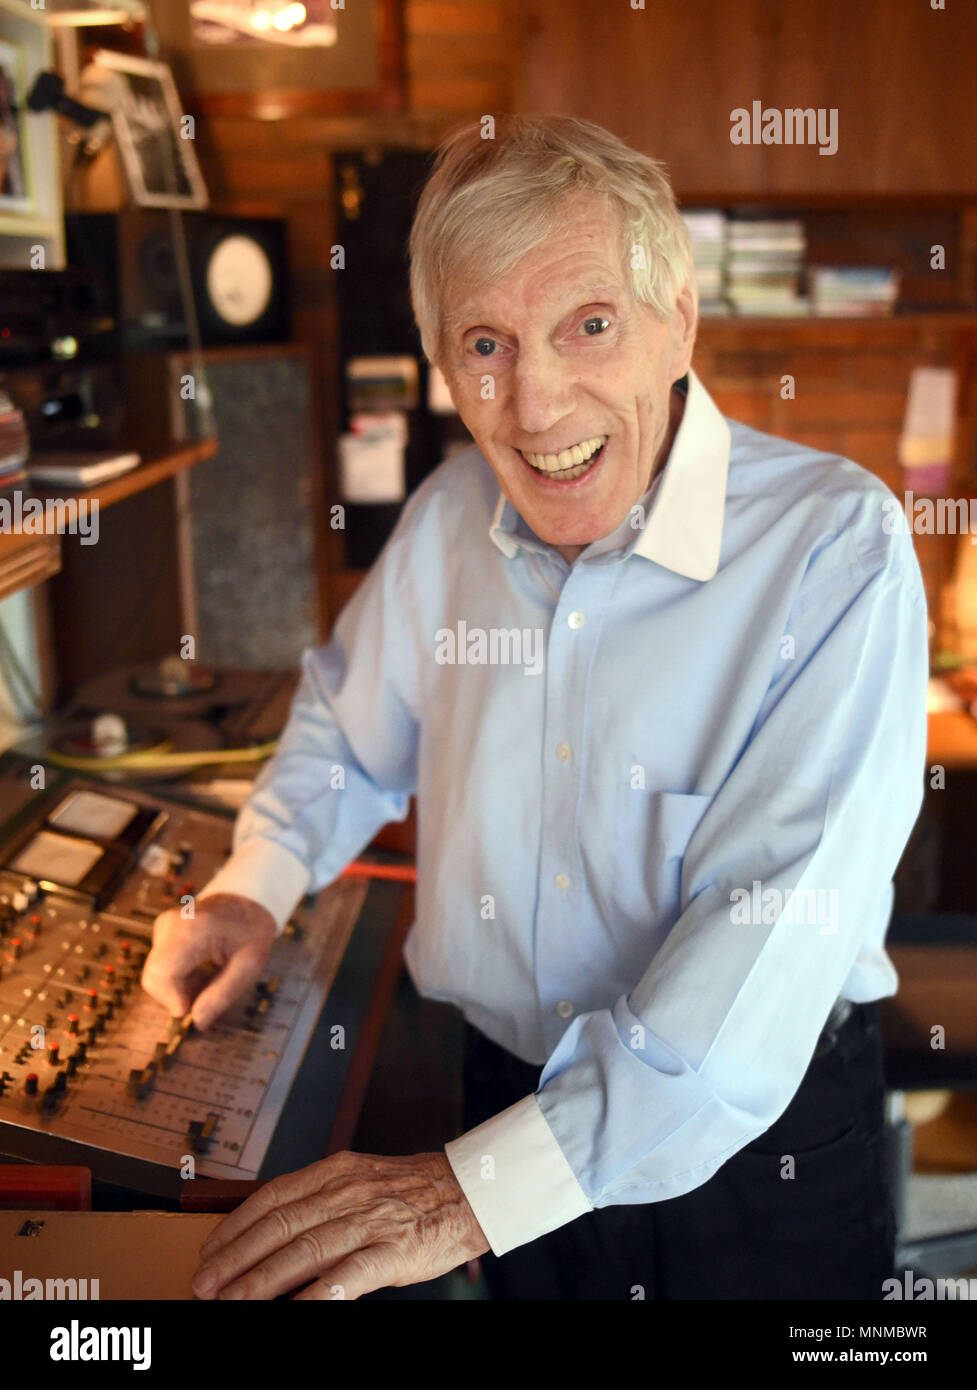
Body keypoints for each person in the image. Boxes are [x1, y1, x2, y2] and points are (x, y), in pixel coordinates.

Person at [142, 116, 928, 1302]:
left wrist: (465, 1194)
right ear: (443, 368)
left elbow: (760, 937)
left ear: (679, 323)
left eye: (589, 325)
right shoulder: (448, 513)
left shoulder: (835, 545)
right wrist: (256, 881)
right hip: (503, 1104)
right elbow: (346, 738)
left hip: (748, 1147)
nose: (537, 402)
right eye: (486, 345)